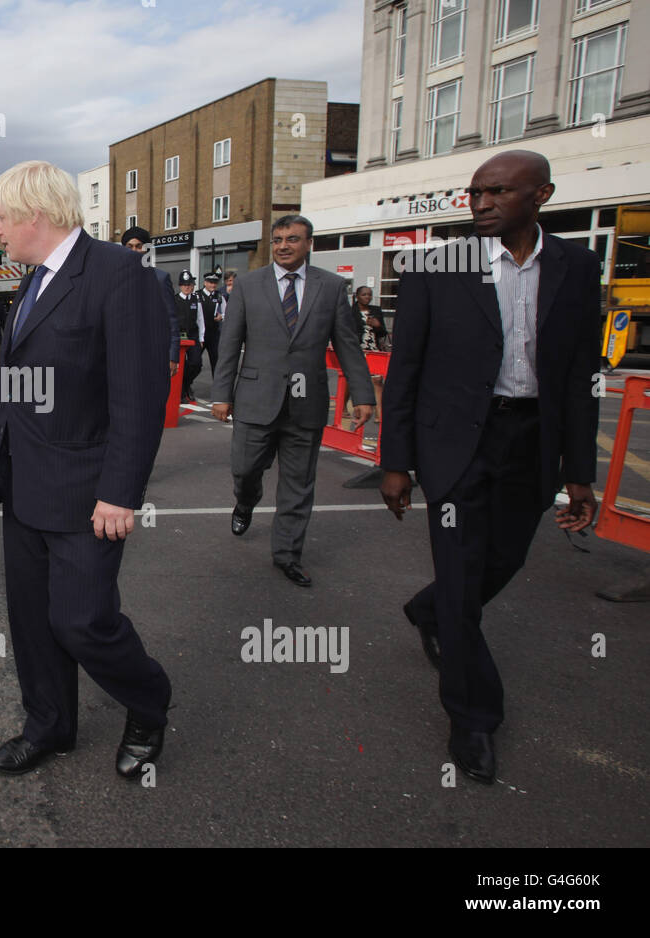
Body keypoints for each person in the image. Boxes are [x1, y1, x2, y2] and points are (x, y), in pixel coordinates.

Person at [0, 161, 172, 780]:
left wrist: (121, 493)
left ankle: (149, 703)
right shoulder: (33, 281)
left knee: (83, 622)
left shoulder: (120, 275)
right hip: (23, 485)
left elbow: (139, 397)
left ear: (35, 213)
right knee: (35, 625)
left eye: (2, 217)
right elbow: (25, 377)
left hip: (87, 493)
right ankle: (49, 727)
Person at [380, 150, 600, 784]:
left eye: (498, 192)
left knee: (504, 560)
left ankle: (430, 611)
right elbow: (406, 370)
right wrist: (396, 462)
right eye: (474, 193)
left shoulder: (577, 266)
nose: (480, 203)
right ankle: (473, 717)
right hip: (455, 445)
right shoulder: (433, 265)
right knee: (460, 579)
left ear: (541, 196)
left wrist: (578, 472)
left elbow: (582, 376)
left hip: (533, 442)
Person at [211, 215, 374, 587]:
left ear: (309, 244)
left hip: (307, 403)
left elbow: (347, 344)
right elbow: (230, 343)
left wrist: (363, 394)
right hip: (255, 400)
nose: (284, 245)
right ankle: (245, 501)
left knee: (298, 485)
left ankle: (287, 554)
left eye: (293, 239)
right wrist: (222, 394)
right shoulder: (249, 285)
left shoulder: (332, 287)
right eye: (278, 239)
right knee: (245, 469)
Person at [123, 226, 180, 378]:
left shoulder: (160, 278)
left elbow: (171, 320)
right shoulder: (114, 279)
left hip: (152, 354)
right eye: (129, 246)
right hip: (122, 354)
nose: (134, 250)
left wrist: (173, 355)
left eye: (138, 246)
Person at [347, 285, 387, 434]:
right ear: (357, 296)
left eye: (369, 295)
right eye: (364, 295)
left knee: (377, 381)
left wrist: (377, 325)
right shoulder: (350, 312)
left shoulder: (376, 310)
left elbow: (383, 332)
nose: (367, 297)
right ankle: (347, 407)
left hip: (373, 350)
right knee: (353, 380)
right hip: (357, 350)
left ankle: (379, 414)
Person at [174, 270, 205, 403]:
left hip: (192, 335)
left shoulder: (196, 300)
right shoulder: (174, 299)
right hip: (179, 335)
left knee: (196, 363)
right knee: (180, 365)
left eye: (189, 284)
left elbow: (200, 320)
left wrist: (202, 337)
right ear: (180, 286)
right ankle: (181, 390)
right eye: (184, 284)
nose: (187, 287)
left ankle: (186, 384)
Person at [199, 271, 223, 381]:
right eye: (210, 282)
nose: (213, 285)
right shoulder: (197, 295)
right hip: (200, 334)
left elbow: (226, 313)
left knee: (217, 363)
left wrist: (221, 316)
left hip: (214, 334)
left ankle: (218, 389)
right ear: (205, 283)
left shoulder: (219, 296)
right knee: (194, 362)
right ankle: (186, 386)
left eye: (215, 283)